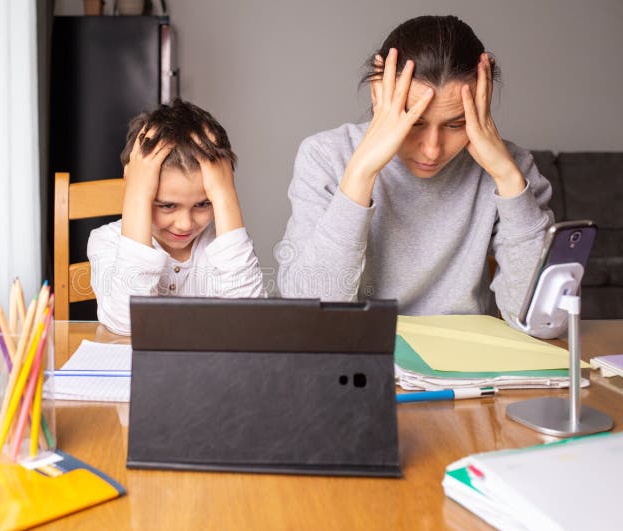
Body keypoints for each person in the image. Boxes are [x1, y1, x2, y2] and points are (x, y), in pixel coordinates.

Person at [277, 15, 557, 338]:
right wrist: (361, 173)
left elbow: (542, 323)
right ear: (378, 91)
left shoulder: (511, 167)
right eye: (415, 123)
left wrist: (509, 178)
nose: (432, 150)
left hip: (464, 368)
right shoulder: (325, 156)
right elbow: (311, 312)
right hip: (358, 363)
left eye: (455, 124)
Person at [88, 98, 264, 335]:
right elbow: (128, 323)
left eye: (204, 204)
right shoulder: (106, 241)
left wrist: (224, 193)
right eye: (167, 206)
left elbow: (252, 320)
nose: (185, 224)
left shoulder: (225, 245)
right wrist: (138, 194)